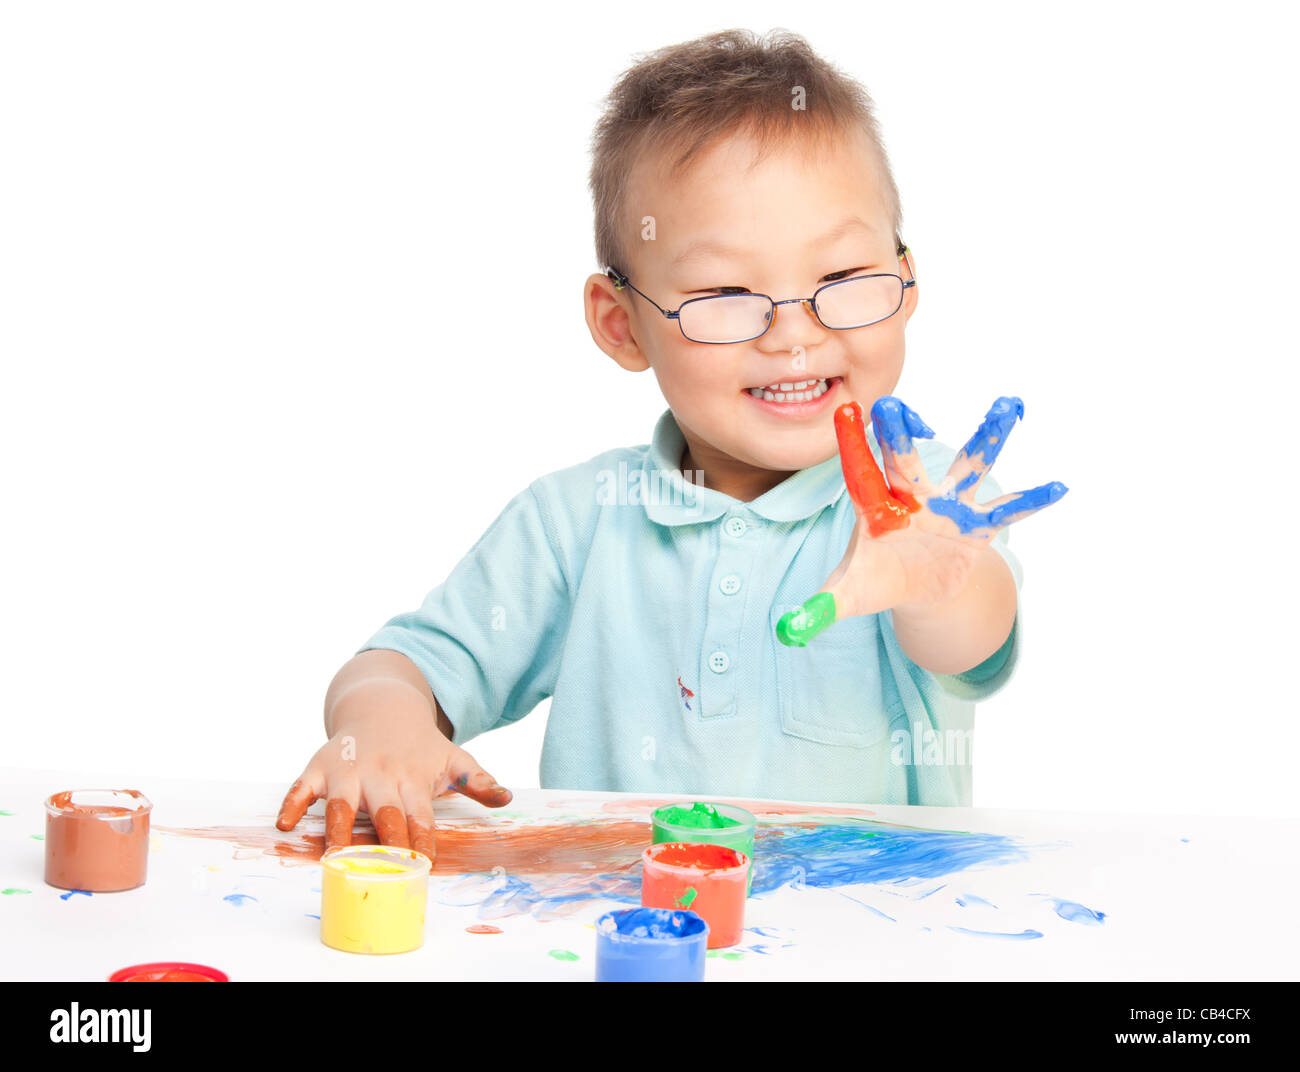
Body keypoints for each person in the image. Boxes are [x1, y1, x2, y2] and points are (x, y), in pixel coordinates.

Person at [276, 29, 1065, 863]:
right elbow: (405, 666)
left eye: (840, 280)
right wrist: (382, 727)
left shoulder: (924, 500)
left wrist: (932, 581)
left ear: (906, 286)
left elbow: (973, 645)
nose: (795, 336)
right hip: (619, 930)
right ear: (623, 325)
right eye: (727, 294)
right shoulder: (574, 523)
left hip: (867, 937)